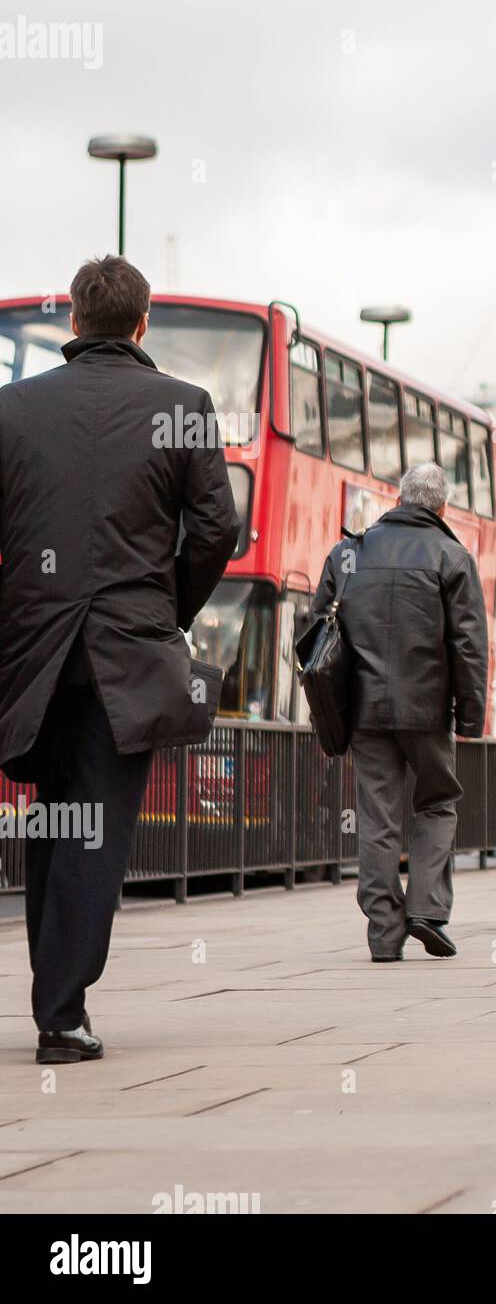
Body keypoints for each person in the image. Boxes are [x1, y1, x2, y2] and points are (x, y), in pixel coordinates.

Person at [0, 256, 240, 1063]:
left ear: (73, 321)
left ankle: (54, 998)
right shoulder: (185, 407)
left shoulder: (13, 408)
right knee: (95, 825)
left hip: (33, 653)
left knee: (53, 818)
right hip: (127, 653)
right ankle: (61, 1013)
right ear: (143, 326)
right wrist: (164, 610)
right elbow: (215, 532)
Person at [311, 462, 487, 961]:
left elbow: (315, 626)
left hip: (363, 710)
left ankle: (384, 934)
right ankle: (427, 910)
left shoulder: (349, 553)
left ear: (398, 498)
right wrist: (470, 716)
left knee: (378, 818)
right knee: (437, 803)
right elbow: (469, 645)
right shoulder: (452, 556)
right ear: (442, 507)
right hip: (427, 710)